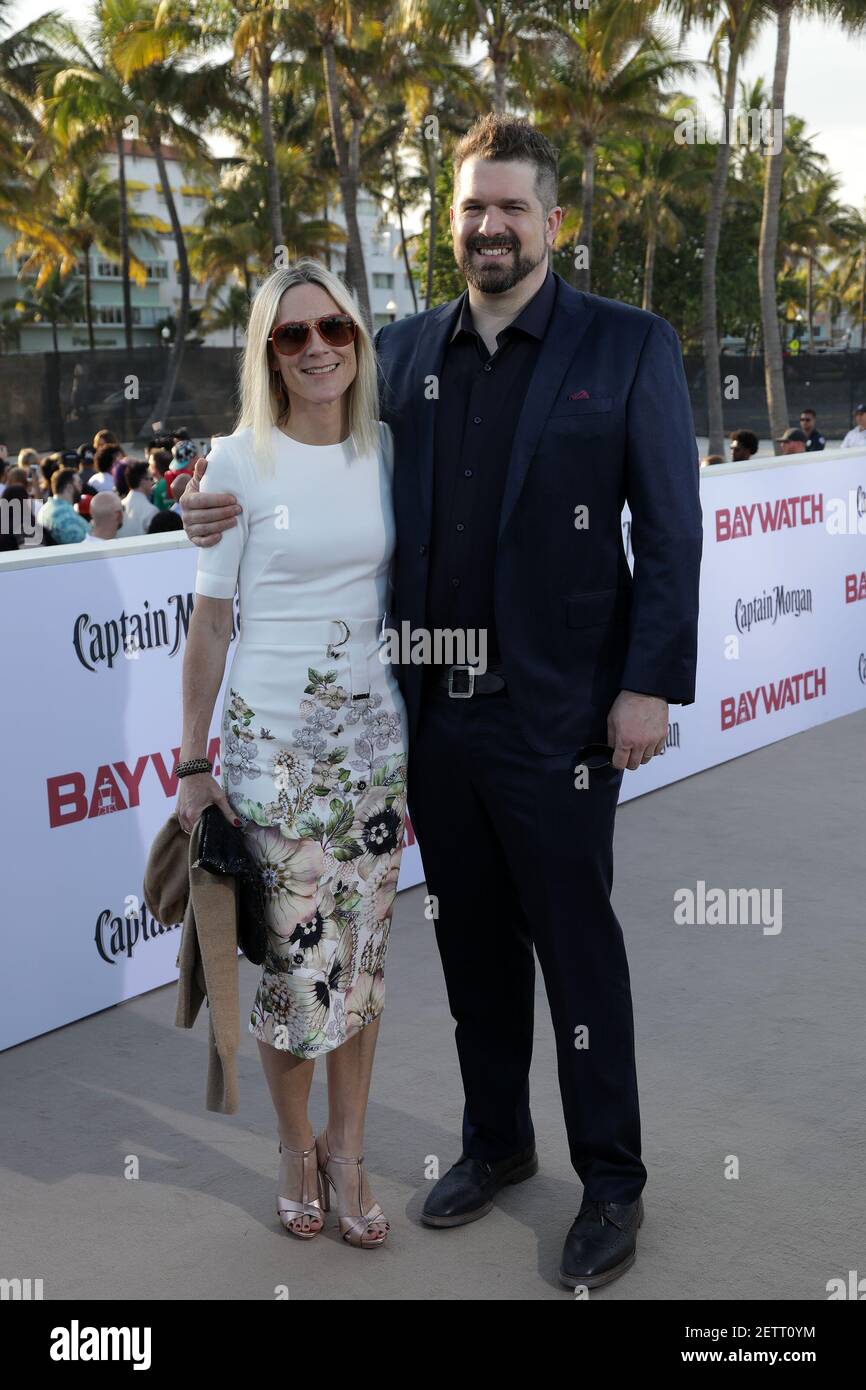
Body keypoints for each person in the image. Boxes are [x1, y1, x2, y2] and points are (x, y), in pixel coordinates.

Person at [180, 115, 702, 1289]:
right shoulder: (403, 352)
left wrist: (645, 685)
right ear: (450, 222)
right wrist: (205, 501)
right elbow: (301, 454)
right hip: (435, 722)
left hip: (563, 717)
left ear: (552, 223)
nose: (491, 227)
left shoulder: (628, 346)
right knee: (468, 947)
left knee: (577, 953)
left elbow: (669, 529)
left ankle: (610, 1182)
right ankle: (497, 1143)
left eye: (513, 207)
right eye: (473, 208)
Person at [177, 260, 407, 1250]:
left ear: (357, 340)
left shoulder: (388, 449)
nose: (318, 349)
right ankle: (291, 1145)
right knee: (290, 979)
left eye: (335, 330)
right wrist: (193, 766)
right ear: (267, 353)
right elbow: (209, 623)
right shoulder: (237, 463)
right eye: (291, 335)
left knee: (359, 971)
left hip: (374, 758)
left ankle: (347, 1151)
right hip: (272, 764)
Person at [38, 467, 90, 544]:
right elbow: (83, 546)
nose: (82, 486)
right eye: (79, 483)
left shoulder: (45, 508)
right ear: (69, 487)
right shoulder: (65, 516)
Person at [119, 461, 158, 536]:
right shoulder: (151, 510)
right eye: (151, 479)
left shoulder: (119, 506)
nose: (152, 483)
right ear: (142, 481)